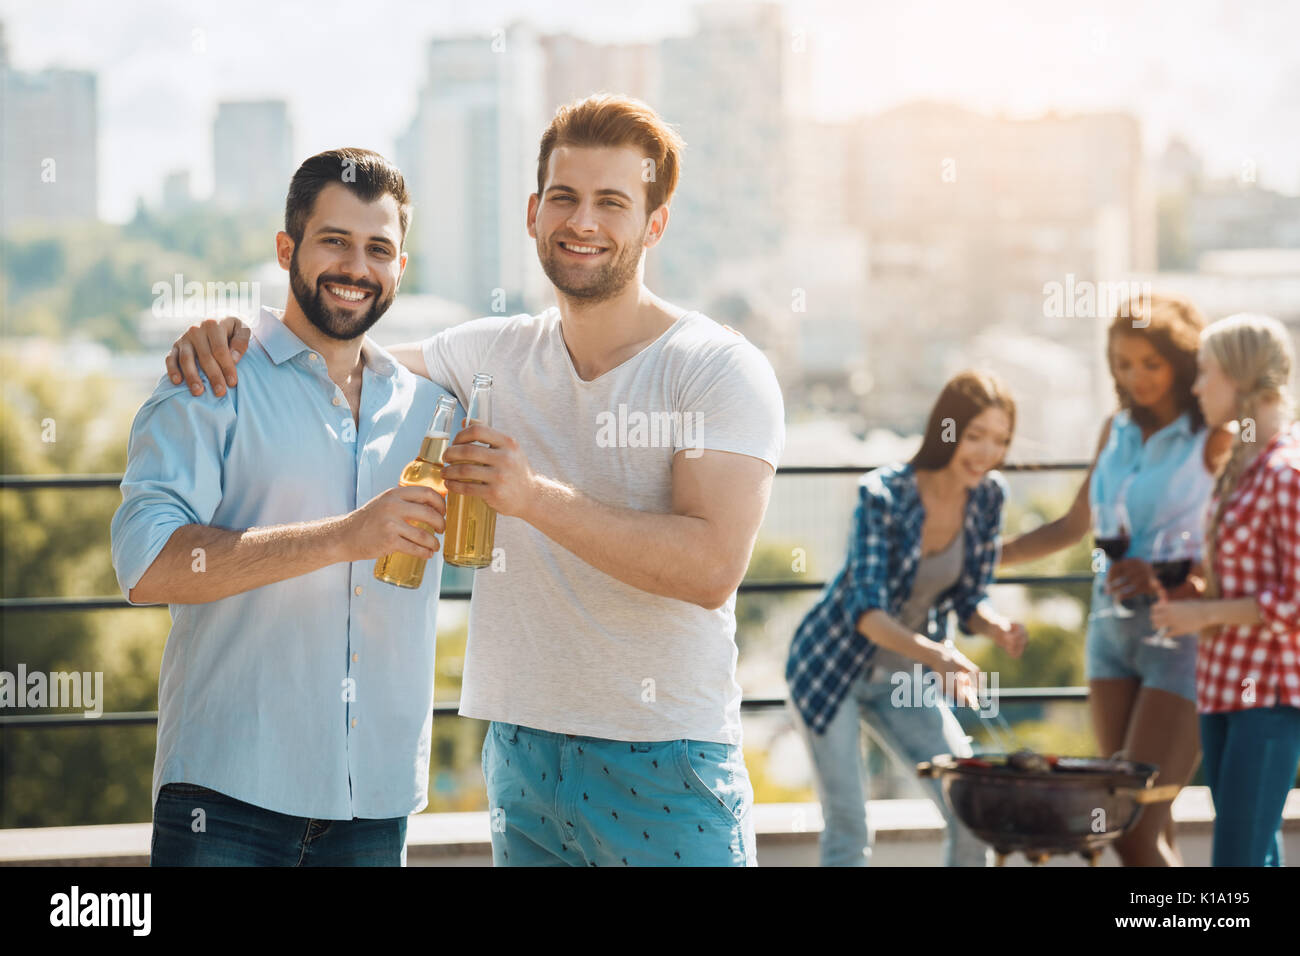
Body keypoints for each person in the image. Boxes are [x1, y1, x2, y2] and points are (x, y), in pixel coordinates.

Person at [163, 94, 786, 866]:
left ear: (654, 224)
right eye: (564, 197)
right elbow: (341, 355)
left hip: (666, 760)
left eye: (612, 202)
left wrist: (532, 498)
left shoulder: (717, 369)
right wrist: (236, 332)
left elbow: (711, 568)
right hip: (521, 760)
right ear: (532, 213)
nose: (582, 222)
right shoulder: (487, 355)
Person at [111, 148, 463, 865]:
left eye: (378, 249)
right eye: (334, 240)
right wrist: (346, 536)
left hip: (374, 807)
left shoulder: (436, 410)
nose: (356, 268)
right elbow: (146, 566)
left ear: (401, 267)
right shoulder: (210, 382)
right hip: (227, 801)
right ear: (286, 249)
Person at [998, 293, 1230, 866]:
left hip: (1179, 637)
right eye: (1124, 364)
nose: (1136, 377)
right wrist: (982, 558)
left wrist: (1167, 571)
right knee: (1147, 822)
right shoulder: (1115, 430)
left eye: (1150, 362)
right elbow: (1075, 524)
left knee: (1128, 825)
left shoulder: (1215, 436)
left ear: (1181, 360)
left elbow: (1240, 537)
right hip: (1109, 637)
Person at [786, 370, 1027, 866]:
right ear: (947, 430)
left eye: (999, 441)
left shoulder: (988, 497)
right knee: (849, 825)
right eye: (975, 436)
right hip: (832, 670)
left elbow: (968, 598)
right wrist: (939, 655)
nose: (987, 453)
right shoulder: (884, 495)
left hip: (906, 676)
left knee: (969, 809)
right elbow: (867, 613)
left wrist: (994, 625)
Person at [1151, 313, 1300, 866]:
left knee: (1234, 866)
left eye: (1205, 373)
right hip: (1221, 688)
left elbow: (1297, 601)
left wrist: (1206, 616)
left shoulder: (1287, 473)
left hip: (1267, 699)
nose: (1195, 387)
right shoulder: (1241, 467)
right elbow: (1244, 578)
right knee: (1255, 856)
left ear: (1238, 379)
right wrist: (1194, 596)